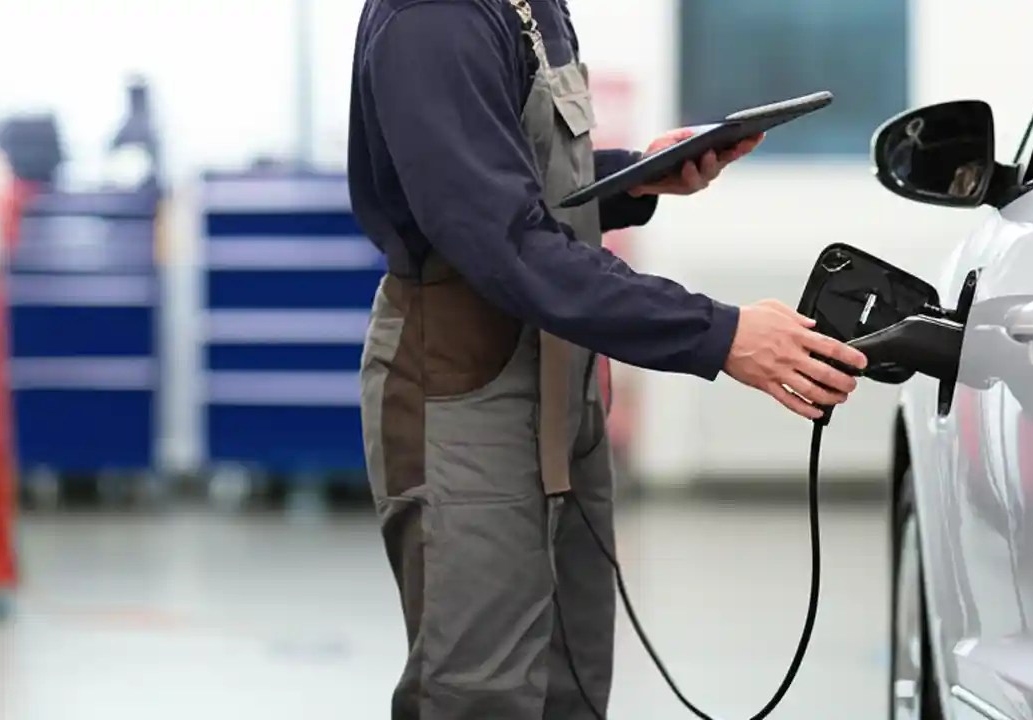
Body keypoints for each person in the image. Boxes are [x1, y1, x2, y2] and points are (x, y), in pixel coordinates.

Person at [347, 1, 869, 718]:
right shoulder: (438, 18)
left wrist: (635, 177)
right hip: (462, 382)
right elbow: (503, 244)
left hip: (558, 369)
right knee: (480, 694)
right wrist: (719, 334)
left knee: (574, 681)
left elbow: (508, 173)